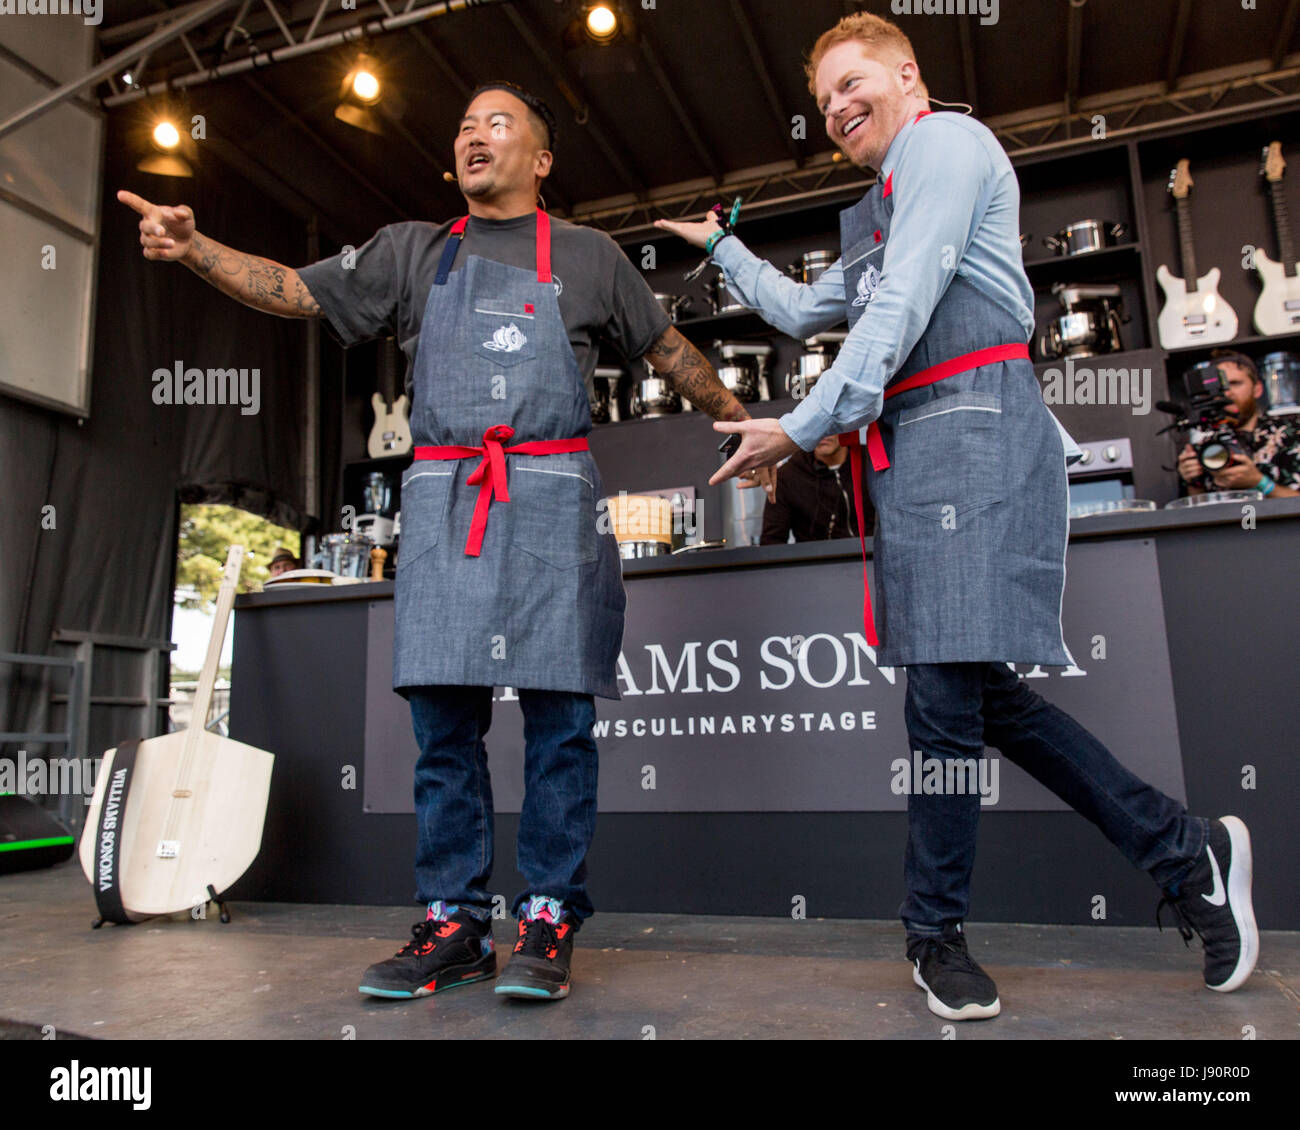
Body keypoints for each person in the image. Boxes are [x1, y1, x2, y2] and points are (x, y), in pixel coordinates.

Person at [657, 12, 1258, 1020]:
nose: (838, 108)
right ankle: (1183, 847)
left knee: (942, 695)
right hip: (922, 446)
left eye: (853, 84)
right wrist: (724, 247)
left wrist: (797, 429)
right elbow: (814, 311)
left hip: (971, 431)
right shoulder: (885, 207)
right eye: (822, 103)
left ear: (906, 73)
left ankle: (933, 932)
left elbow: (890, 319)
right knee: (974, 695)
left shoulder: (943, 146)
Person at [122, 81, 759, 1003]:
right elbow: (294, 291)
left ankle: (546, 920)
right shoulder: (412, 251)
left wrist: (743, 423)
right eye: (462, 124)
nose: (473, 135)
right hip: (446, 498)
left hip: (549, 497)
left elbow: (667, 352)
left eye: (497, 123)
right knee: (443, 731)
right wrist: (194, 249)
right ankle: (456, 923)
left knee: (560, 729)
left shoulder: (590, 256)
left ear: (541, 159)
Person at [1177, 351, 1300, 498]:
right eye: (1220, 387)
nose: (1227, 393)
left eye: (1235, 383)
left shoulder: (1292, 431)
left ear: (1257, 389)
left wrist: (1259, 483)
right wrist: (1193, 482)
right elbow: (1196, 516)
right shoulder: (1202, 449)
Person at [760, 435, 874, 543]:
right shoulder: (787, 477)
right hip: (814, 561)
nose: (823, 433)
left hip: (874, 557)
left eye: (830, 424)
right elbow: (772, 541)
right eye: (817, 424)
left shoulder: (872, 461)